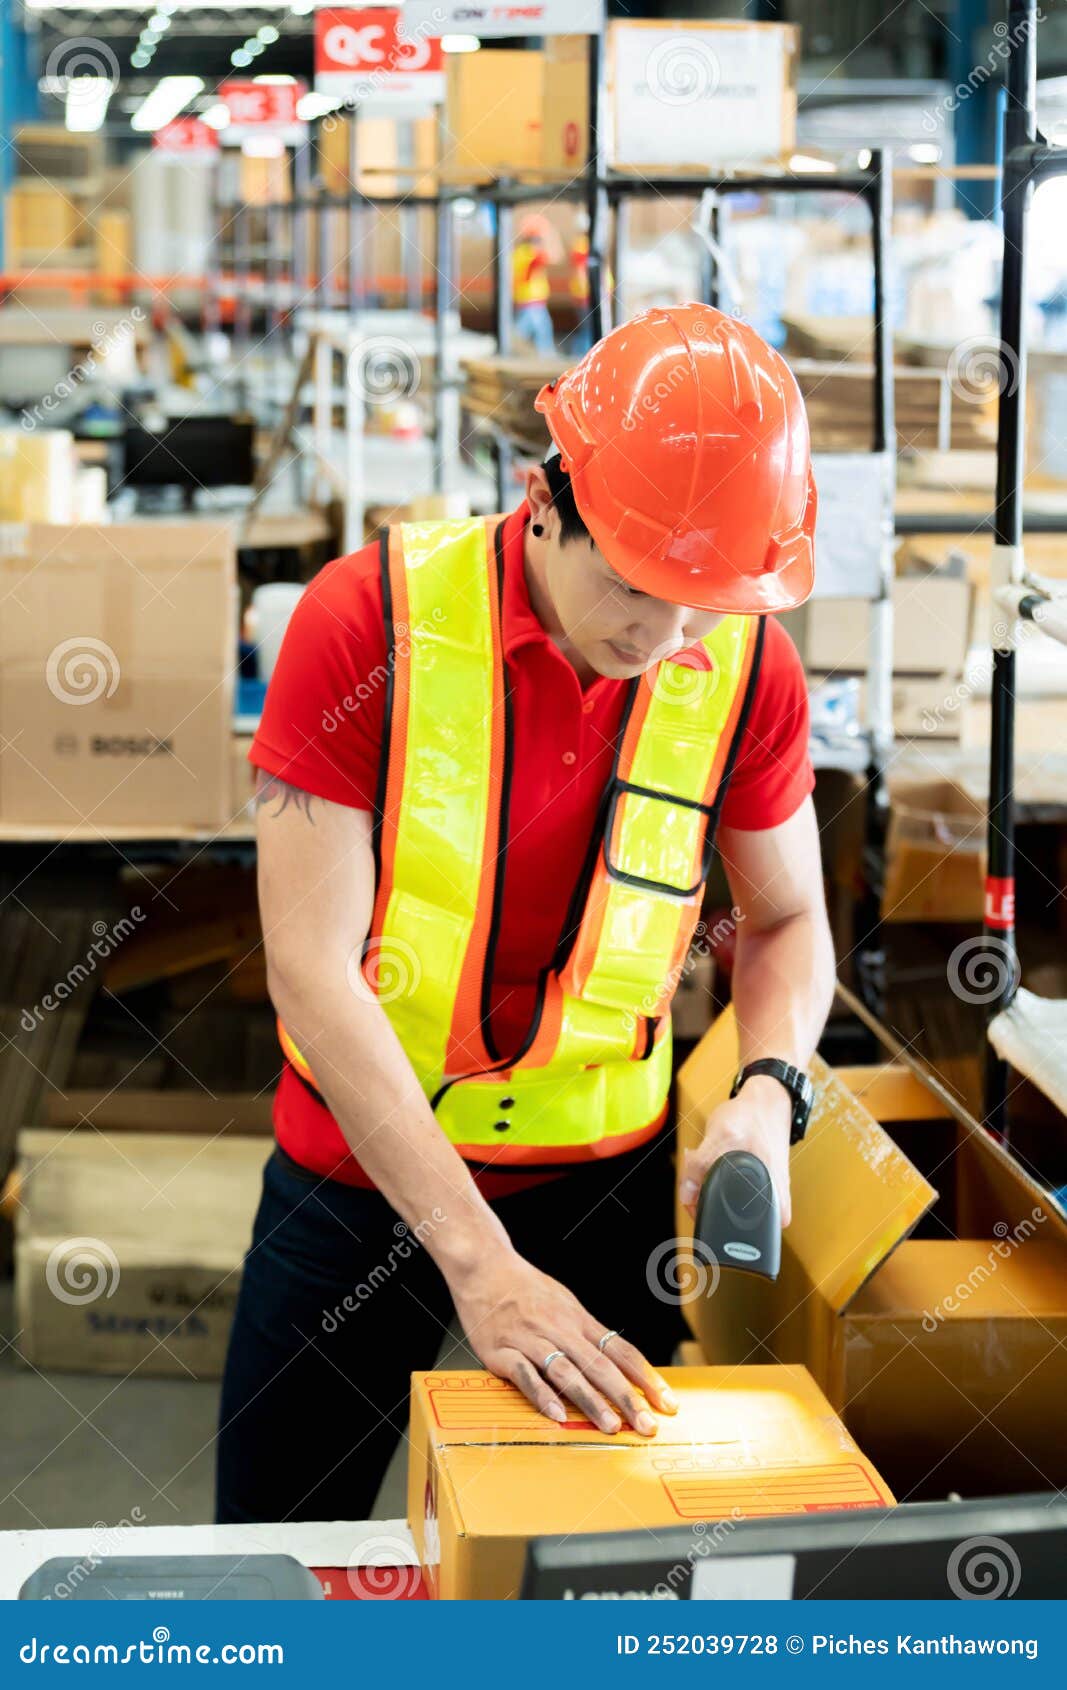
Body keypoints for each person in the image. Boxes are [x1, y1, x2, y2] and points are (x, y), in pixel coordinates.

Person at [215, 303, 835, 1526]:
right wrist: (480, 1266)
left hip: (601, 1184)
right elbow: (312, 973)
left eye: (701, 602)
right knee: (276, 1555)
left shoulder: (749, 663)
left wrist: (768, 1088)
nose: (662, 639)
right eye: (635, 585)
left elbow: (788, 919)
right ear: (542, 497)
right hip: (360, 1174)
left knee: (600, 1569)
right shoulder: (362, 625)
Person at [512, 213, 561, 355]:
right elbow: (555, 257)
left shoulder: (519, 252)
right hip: (532, 304)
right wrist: (552, 235)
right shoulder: (531, 254)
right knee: (540, 335)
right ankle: (546, 359)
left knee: (535, 333)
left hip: (526, 301)